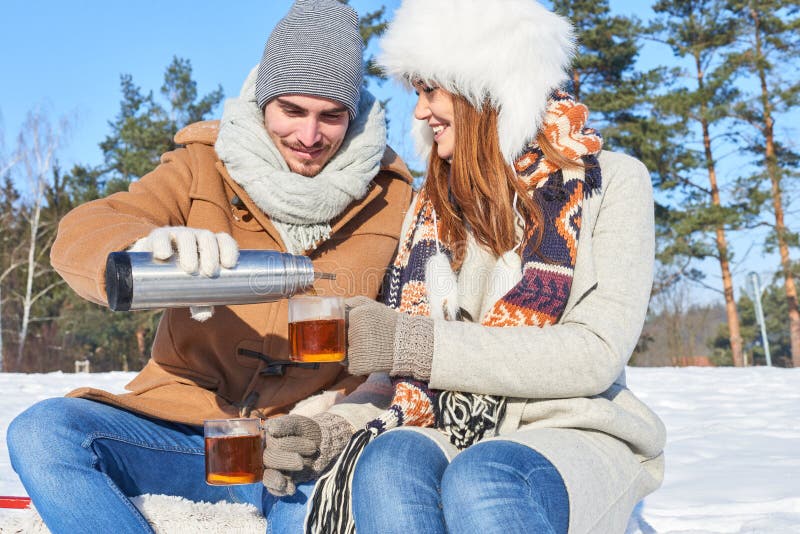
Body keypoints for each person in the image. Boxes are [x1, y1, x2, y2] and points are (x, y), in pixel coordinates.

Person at [6, 1, 412, 532]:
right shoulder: (201, 167)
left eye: (330, 115)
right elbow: (82, 232)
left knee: (315, 510)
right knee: (42, 431)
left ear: (352, 115)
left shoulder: (395, 199)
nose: (310, 136)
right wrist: (150, 243)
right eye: (292, 110)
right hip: (185, 429)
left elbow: (413, 325)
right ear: (262, 100)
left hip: (304, 446)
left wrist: (342, 411)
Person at [297, 0, 667, 533]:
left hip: (571, 432)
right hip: (446, 428)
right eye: (416, 93)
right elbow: (401, 376)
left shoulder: (611, 183)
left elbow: (595, 353)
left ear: (487, 88)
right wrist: (329, 430)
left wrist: (413, 343)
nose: (420, 112)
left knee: (485, 477)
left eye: (431, 91)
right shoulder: (430, 209)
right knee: (386, 462)